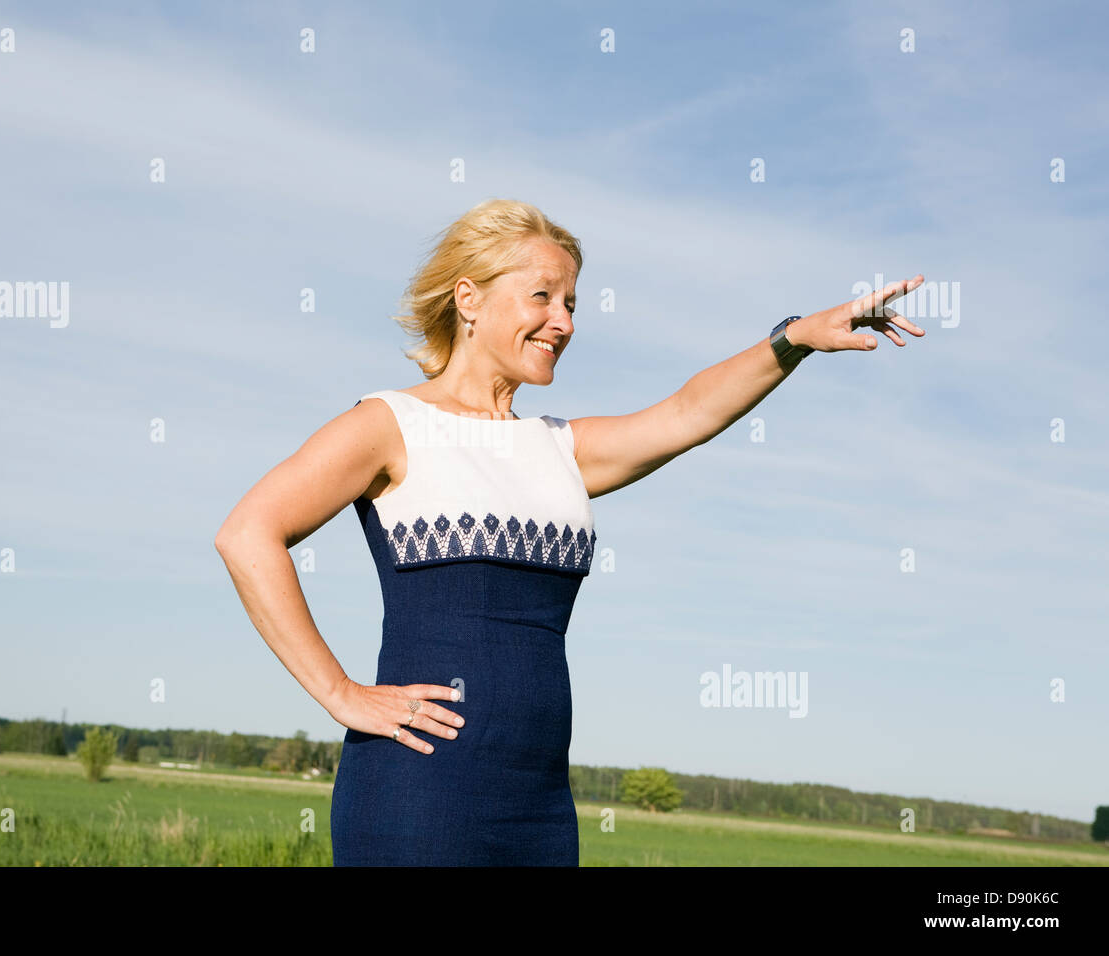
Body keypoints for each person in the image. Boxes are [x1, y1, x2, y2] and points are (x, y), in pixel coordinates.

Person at [214, 198, 924, 866]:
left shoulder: (561, 448)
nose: (566, 322)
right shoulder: (389, 426)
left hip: (542, 804)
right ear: (469, 299)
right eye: (543, 297)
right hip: (419, 790)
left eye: (573, 304)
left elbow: (686, 415)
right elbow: (249, 533)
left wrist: (794, 338)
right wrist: (340, 692)